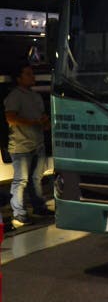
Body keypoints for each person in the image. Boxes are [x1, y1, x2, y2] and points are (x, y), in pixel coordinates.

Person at [3, 64, 54, 229]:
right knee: (21, 180)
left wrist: (45, 124)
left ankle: (39, 207)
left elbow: (42, 116)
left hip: (37, 143)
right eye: (28, 74)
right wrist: (34, 123)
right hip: (21, 145)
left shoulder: (36, 96)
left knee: (36, 178)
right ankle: (19, 214)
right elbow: (10, 118)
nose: (33, 77)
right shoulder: (15, 96)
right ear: (19, 78)